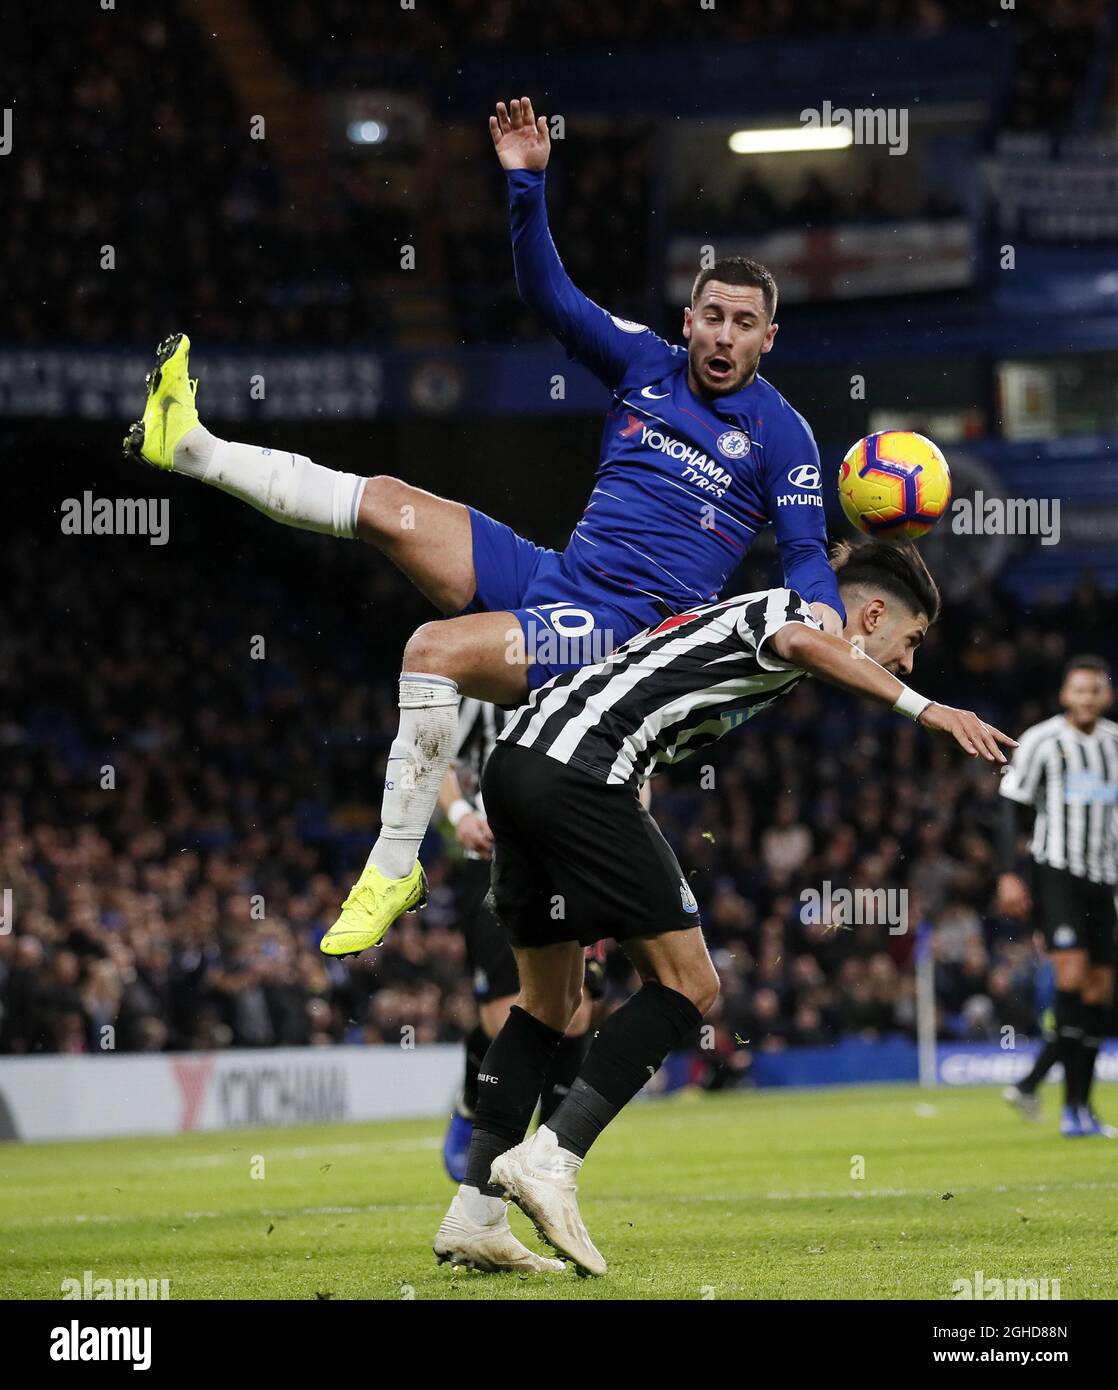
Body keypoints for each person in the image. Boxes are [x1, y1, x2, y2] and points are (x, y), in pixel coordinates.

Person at [122, 95, 843, 959]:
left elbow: (805, 554)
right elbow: (548, 292)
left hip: (624, 636)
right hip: (557, 582)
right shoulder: (645, 362)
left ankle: (395, 866)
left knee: (433, 650)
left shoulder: (782, 434)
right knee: (388, 502)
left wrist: (825, 614)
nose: (724, 336)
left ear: (770, 336)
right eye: (713, 317)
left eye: (745, 323)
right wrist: (527, 186)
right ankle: (190, 447)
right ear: (689, 320)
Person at [433, 540, 1015, 1275]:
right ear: (871, 613)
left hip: (517, 763)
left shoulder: (759, 621)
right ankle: (552, 1157)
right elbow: (807, 639)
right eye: (911, 640)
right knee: (691, 984)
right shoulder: (795, 610)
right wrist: (923, 710)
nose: (907, 662)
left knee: (550, 999)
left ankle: (476, 1214)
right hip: (581, 769)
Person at [998, 656, 1118, 1137]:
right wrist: (1010, 874)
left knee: (1097, 993)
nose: (1086, 699)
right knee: (1071, 978)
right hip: (1057, 872)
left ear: (1106, 696)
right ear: (1065, 696)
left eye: (1095, 691)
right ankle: (1070, 1109)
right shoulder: (1042, 740)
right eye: (1078, 690)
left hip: (1104, 877)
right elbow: (1011, 808)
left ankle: (1072, 1102)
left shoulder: (1114, 744)